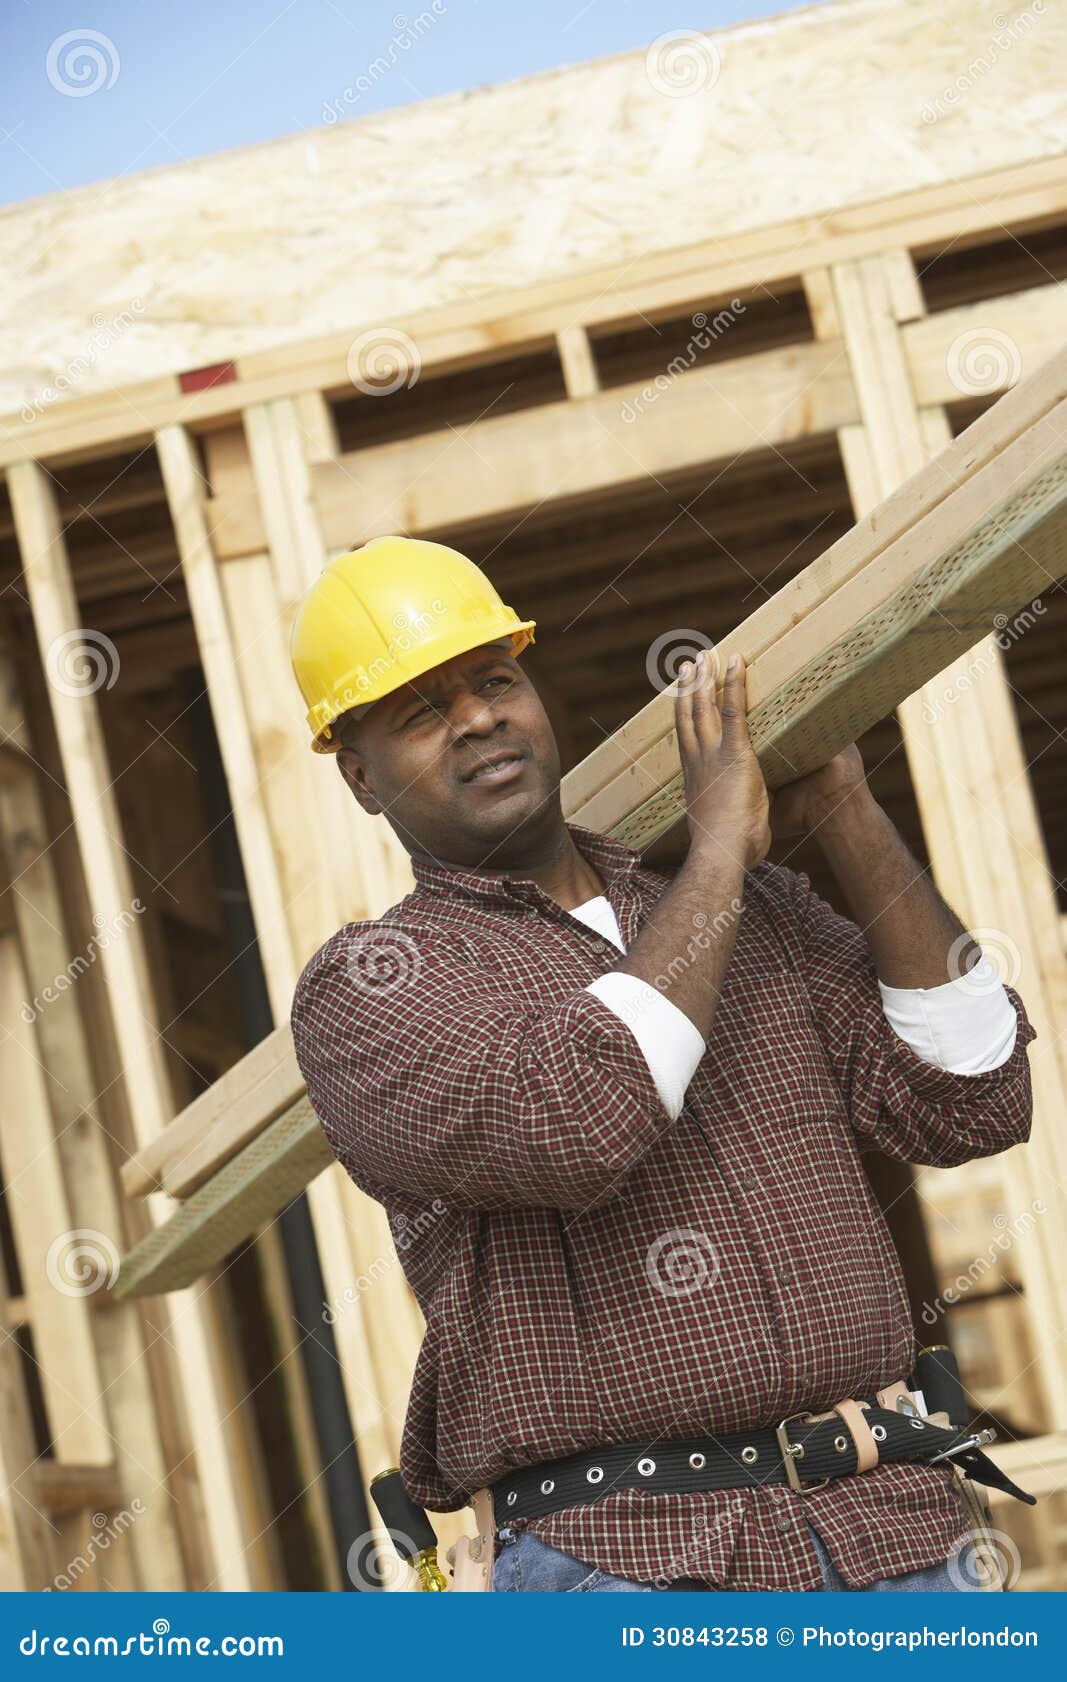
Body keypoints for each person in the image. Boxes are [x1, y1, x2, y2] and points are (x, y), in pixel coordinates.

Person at [289, 536, 1035, 1592]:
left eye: (494, 681)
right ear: (360, 777)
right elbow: (584, 1119)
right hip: (625, 1565)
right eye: (419, 712)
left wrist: (840, 809)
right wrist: (722, 837)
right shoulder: (376, 985)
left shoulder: (760, 914)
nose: (477, 718)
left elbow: (974, 1099)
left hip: (895, 1533)